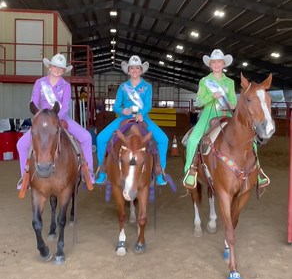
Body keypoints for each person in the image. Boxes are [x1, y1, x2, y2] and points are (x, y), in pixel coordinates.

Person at [16, 53, 95, 189]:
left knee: (86, 137)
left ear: (64, 71)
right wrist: (39, 115)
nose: (58, 70)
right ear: (50, 67)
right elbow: (34, 101)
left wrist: (56, 117)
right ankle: (25, 176)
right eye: (55, 67)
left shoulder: (66, 85)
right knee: (21, 145)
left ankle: (88, 171)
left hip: (61, 118)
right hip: (43, 119)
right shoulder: (39, 83)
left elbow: (65, 106)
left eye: (61, 68)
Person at [95, 55, 169, 186]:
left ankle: (159, 171)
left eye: (137, 68)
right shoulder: (123, 87)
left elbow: (148, 104)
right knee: (101, 138)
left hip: (143, 117)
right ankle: (103, 171)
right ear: (128, 71)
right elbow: (116, 106)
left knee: (163, 139)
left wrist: (141, 114)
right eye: (132, 68)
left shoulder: (147, 86)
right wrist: (122, 111)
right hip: (124, 118)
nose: (134, 70)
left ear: (141, 70)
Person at [183, 49, 237, 188]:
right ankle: (190, 170)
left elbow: (234, 101)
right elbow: (199, 101)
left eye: (219, 61)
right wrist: (211, 96)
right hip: (208, 113)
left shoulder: (230, 82)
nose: (217, 64)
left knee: (249, 136)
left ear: (223, 64)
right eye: (214, 62)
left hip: (226, 113)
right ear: (210, 64)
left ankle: (257, 169)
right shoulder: (205, 81)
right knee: (194, 138)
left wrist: (231, 103)